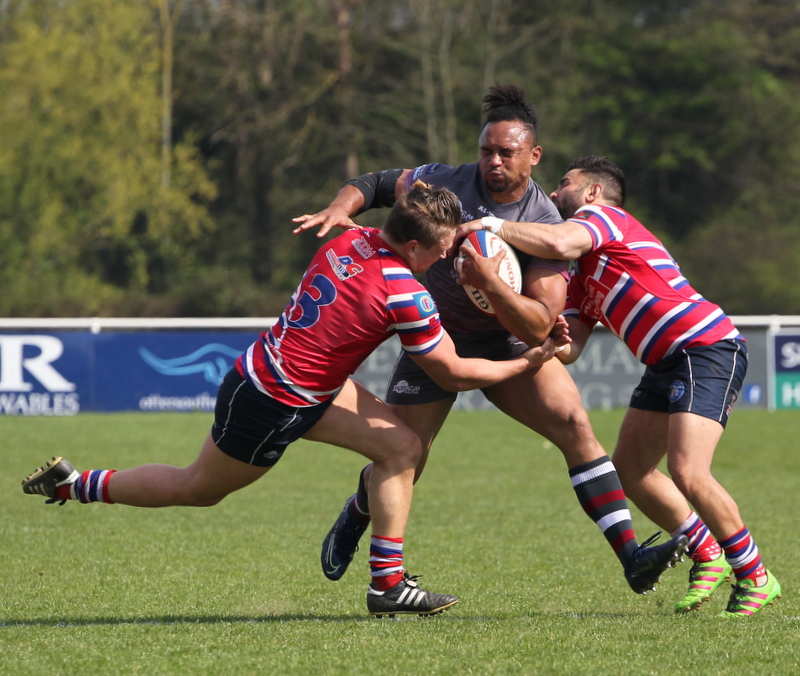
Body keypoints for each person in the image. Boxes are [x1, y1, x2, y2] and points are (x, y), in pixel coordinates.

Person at [21, 181, 557, 619]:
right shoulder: (405, 293)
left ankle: (387, 584)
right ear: (412, 247)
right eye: (440, 248)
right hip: (272, 400)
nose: (446, 256)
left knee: (402, 449)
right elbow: (456, 372)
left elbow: (376, 212)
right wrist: (528, 360)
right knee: (198, 488)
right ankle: (77, 485)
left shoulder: (352, 239)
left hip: (305, 384)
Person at [293, 84, 688, 597]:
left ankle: (632, 555)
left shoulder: (545, 221)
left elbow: (540, 325)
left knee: (574, 423)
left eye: (507, 152)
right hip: (434, 341)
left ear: (533, 155)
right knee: (407, 455)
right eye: (486, 151)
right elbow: (375, 183)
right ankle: (358, 510)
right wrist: (338, 207)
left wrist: (491, 284)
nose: (494, 161)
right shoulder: (445, 182)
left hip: (508, 341)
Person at [460, 155, 781, 618]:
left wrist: (490, 225)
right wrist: (549, 338)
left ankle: (754, 574)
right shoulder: (581, 274)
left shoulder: (604, 218)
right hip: (664, 362)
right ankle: (706, 553)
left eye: (564, 184)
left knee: (689, 471)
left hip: (706, 347)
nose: (552, 194)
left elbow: (559, 240)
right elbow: (572, 349)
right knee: (631, 470)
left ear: (592, 192)